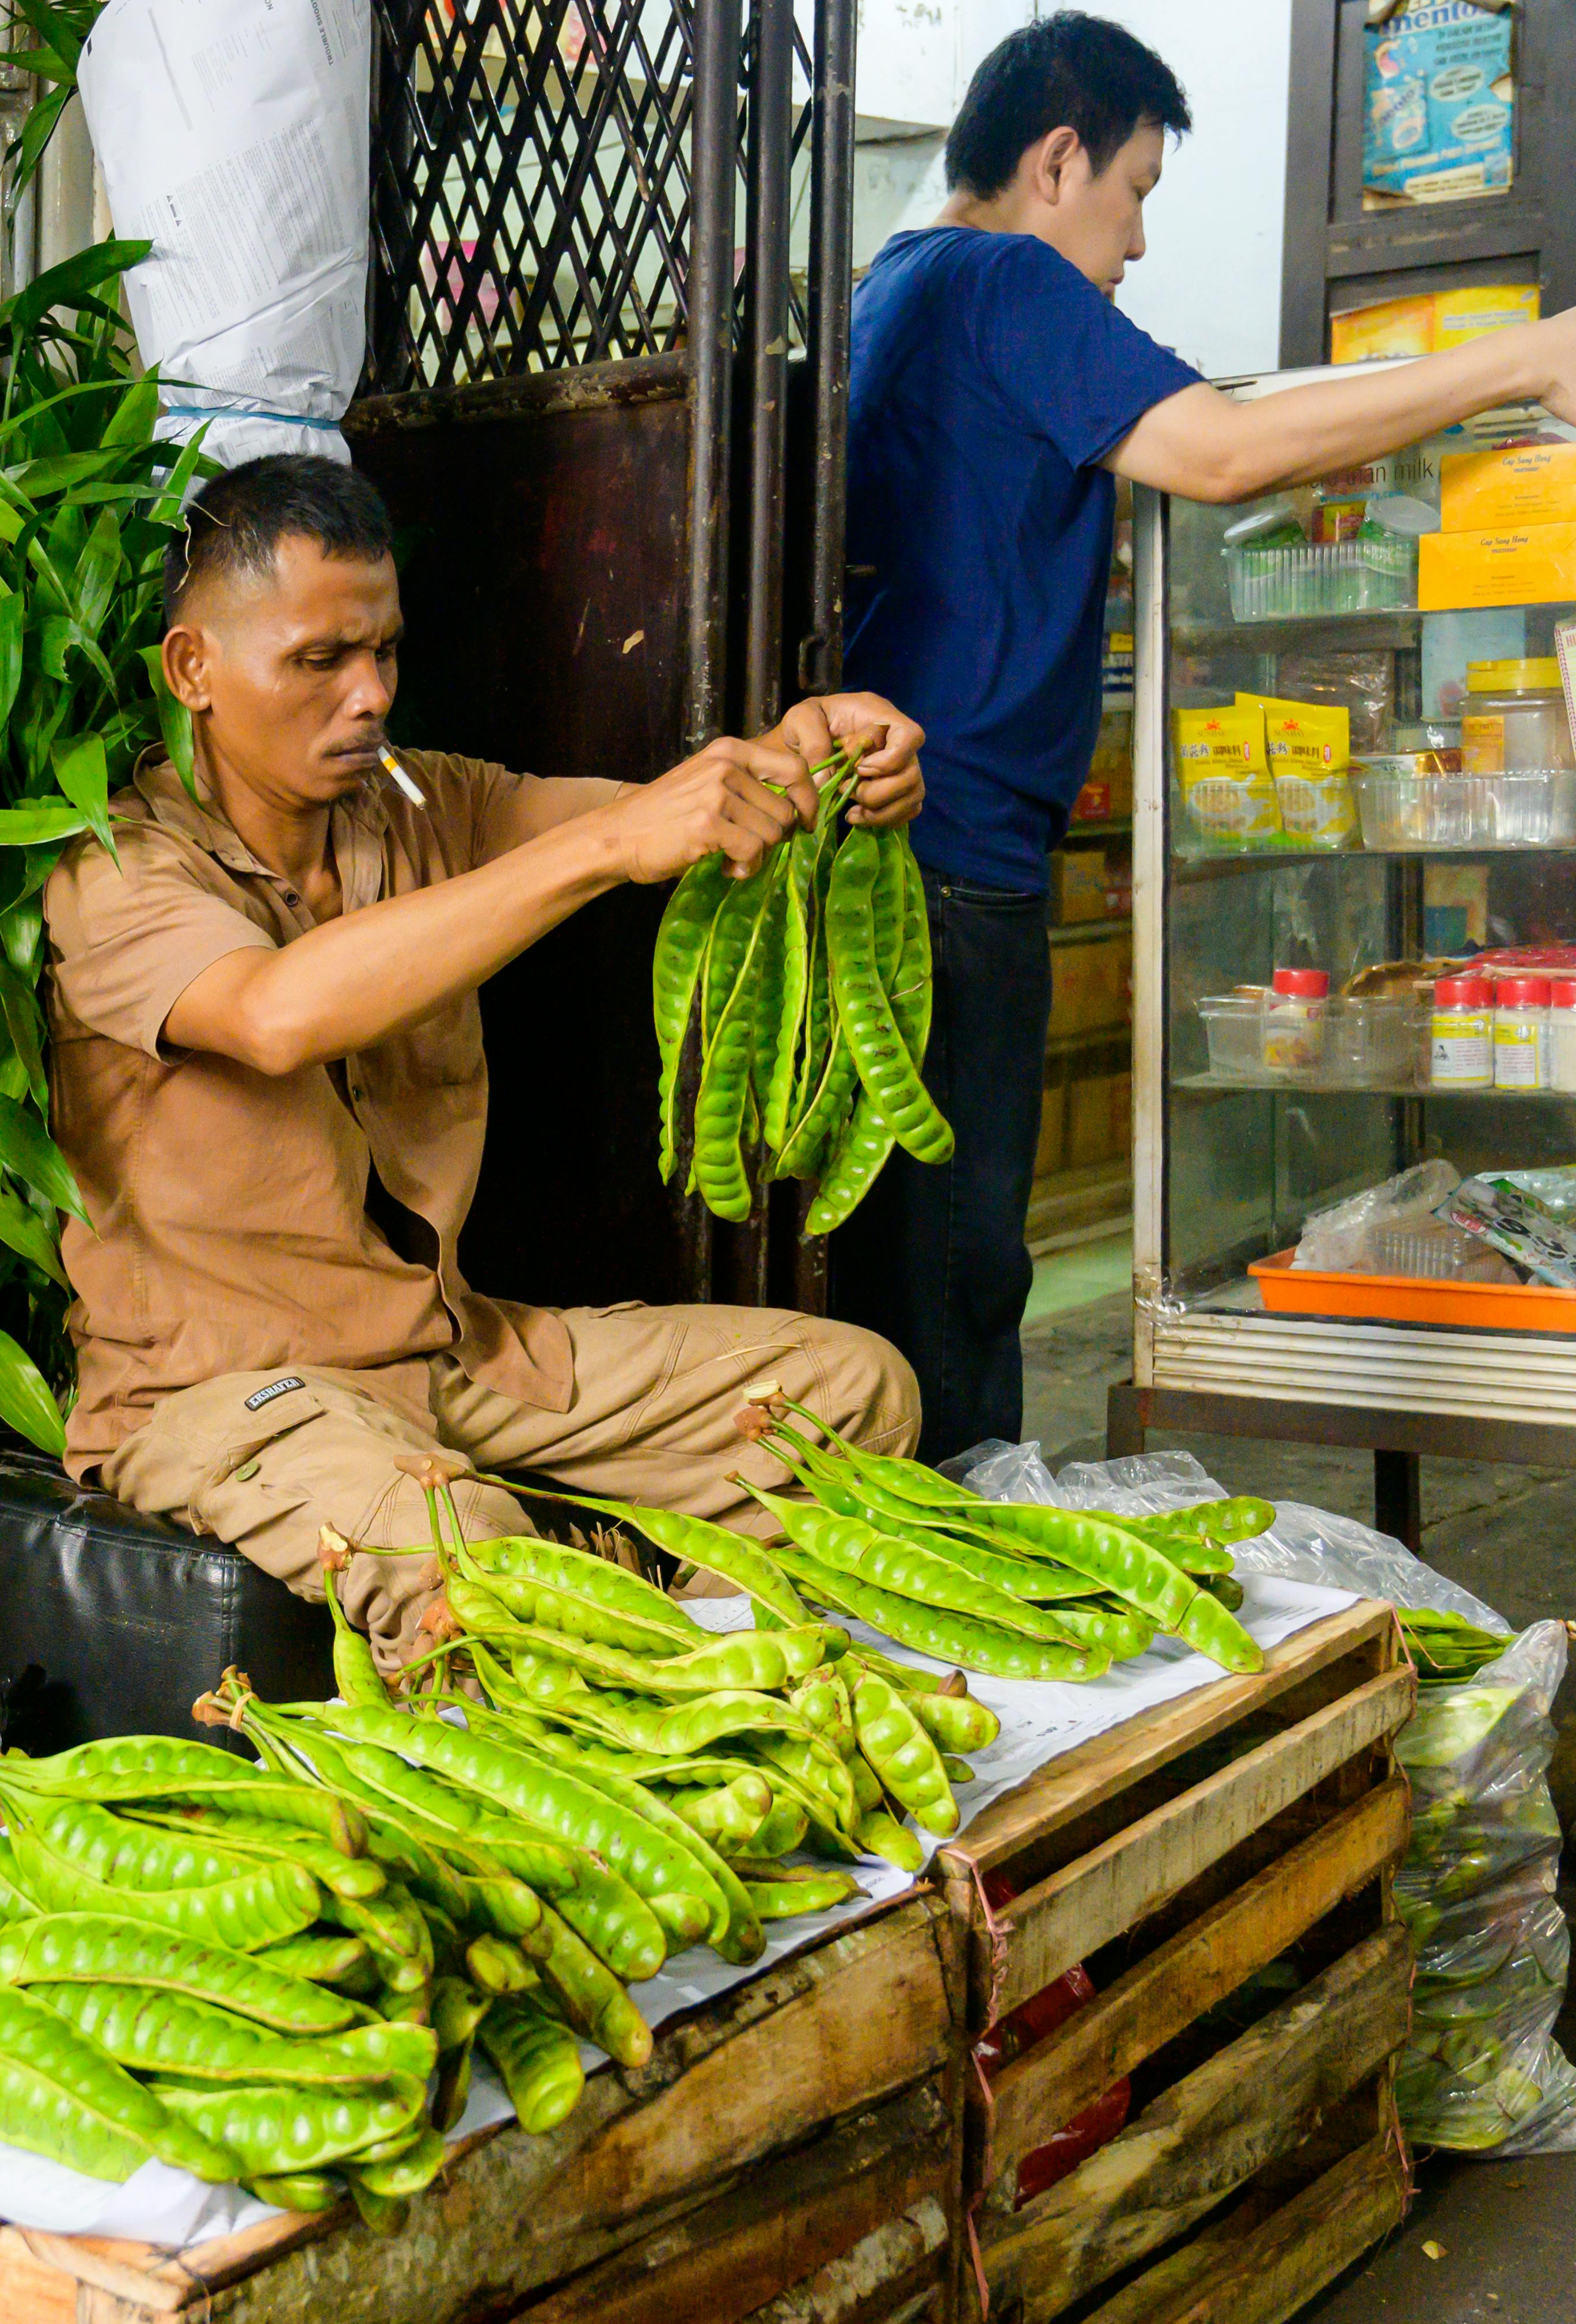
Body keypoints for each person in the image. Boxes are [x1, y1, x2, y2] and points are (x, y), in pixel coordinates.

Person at [833, 12, 1576, 1459]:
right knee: (952, 1274)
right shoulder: (1001, 281)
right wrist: (1528, 358)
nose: (1139, 240)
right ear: (1056, 161)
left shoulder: (900, 285)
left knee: (927, 1262)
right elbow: (1223, 454)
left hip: (917, 852)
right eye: (1136, 194)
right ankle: (955, 1609)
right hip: (948, 863)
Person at [45, 454, 928, 1654]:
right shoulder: (114, 867)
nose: (367, 697)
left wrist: (799, 759)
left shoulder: (418, 804)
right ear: (192, 669)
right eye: (319, 661)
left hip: (448, 1354)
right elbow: (275, 1013)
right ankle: (608, 1650)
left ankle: (684, 1662)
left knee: (854, 1392)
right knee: (478, 1557)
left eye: (384, 653)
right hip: (228, 1396)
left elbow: (665, 813)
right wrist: (611, 844)